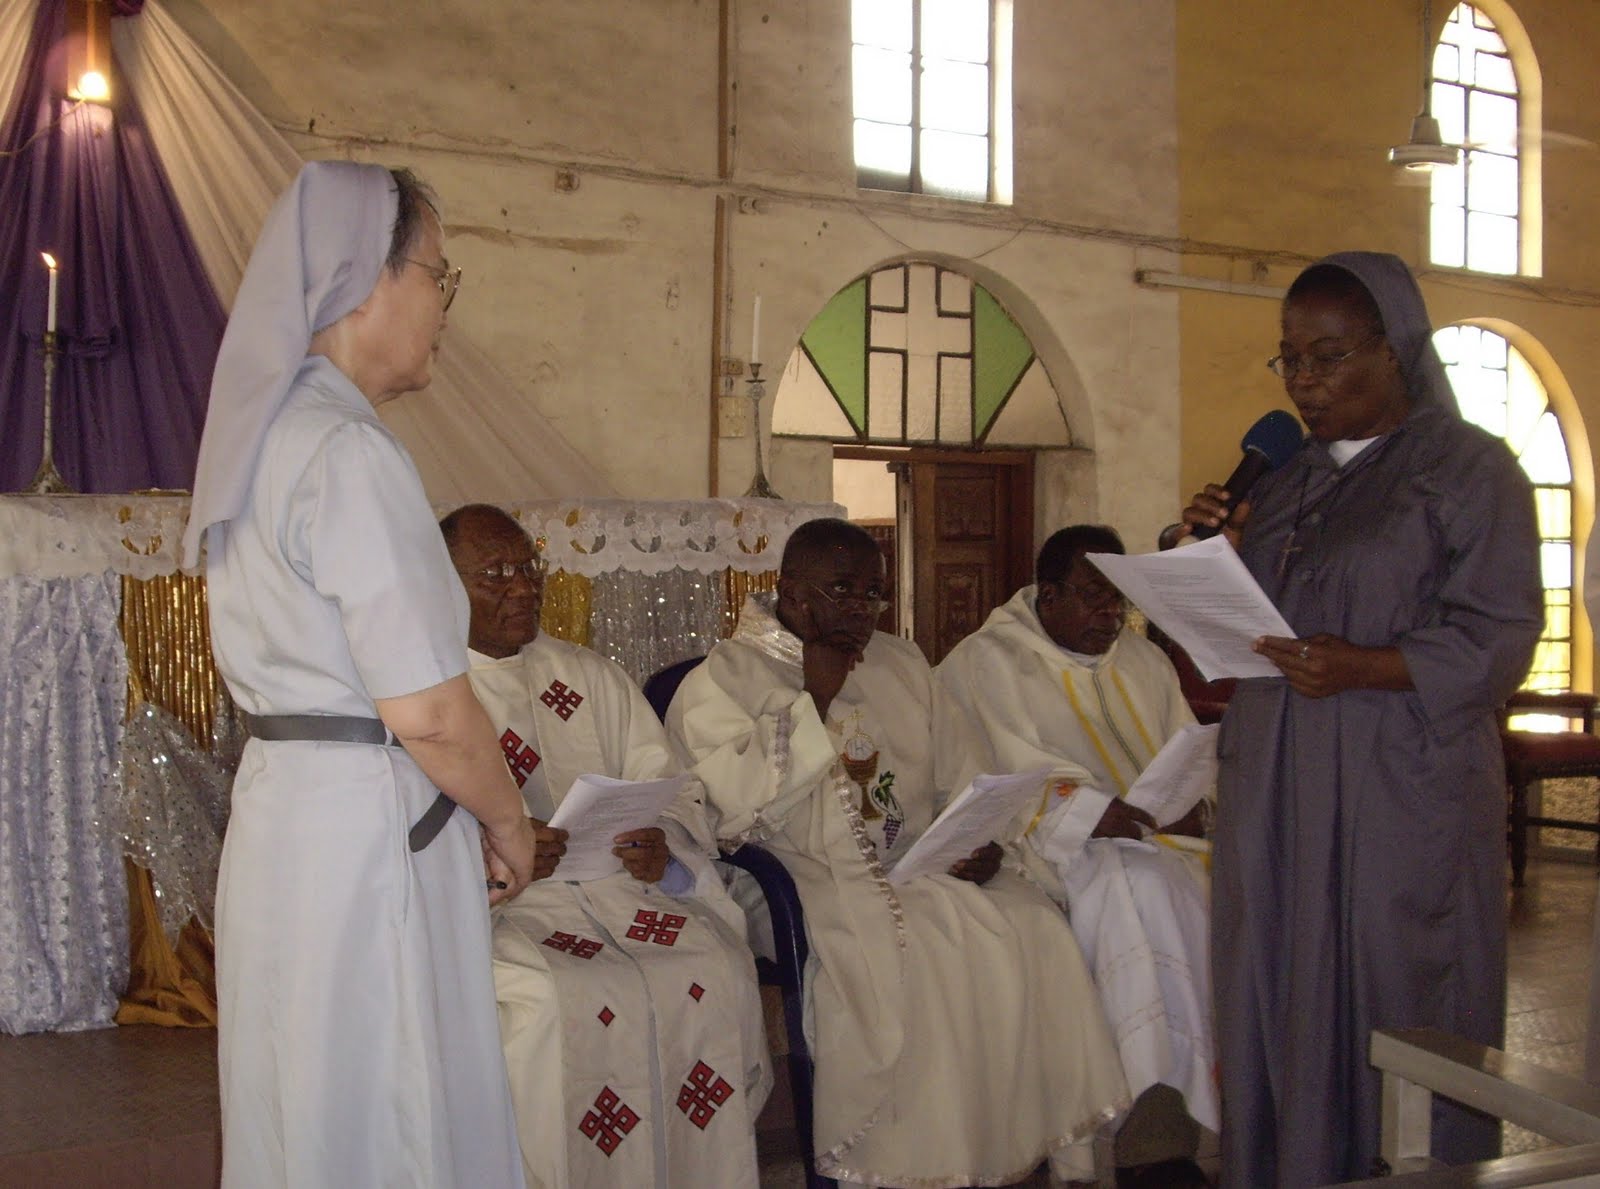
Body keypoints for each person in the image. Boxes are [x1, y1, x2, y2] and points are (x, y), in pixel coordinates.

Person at [178, 162, 539, 1186]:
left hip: (288, 818)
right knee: (391, 1106)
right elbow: (429, 711)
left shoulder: (263, 436)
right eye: (436, 274)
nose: (443, 304)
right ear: (363, 279)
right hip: (367, 836)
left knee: (303, 1107)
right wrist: (509, 821)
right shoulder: (348, 451)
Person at [1182, 251, 1543, 1186]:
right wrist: (1208, 560)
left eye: (1329, 356)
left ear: (1396, 350)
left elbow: (1502, 633)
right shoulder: (1283, 480)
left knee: (1396, 987)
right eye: (1291, 359)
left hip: (1398, 783)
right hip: (1278, 784)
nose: (1304, 381)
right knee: (1276, 978)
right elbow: (1253, 626)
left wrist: (1368, 667)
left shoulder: (1471, 471)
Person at [666, 517, 1129, 1187]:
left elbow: (964, 772)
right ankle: (904, 1164)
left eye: (872, 592)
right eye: (841, 589)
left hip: (921, 863)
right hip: (799, 877)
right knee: (919, 945)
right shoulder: (726, 675)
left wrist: (977, 839)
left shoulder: (903, 662)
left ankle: (994, 1146)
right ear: (790, 591)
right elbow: (728, 809)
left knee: (1036, 924)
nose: (860, 608)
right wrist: (814, 697)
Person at [440, 503, 771, 1188]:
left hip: (624, 892)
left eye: (528, 567)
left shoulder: (589, 676)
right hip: (505, 910)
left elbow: (670, 785)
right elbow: (404, 826)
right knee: (556, 997)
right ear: (439, 582)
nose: (523, 587)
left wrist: (663, 845)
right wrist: (497, 850)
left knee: (712, 965)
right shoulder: (427, 693)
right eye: (495, 574)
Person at [937, 524, 1217, 1183]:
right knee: (1137, 884)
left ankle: (1168, 1122)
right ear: (1050, 594)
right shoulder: (987, 663)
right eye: (1095, 597)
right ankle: (1145, 1137)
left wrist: (1195, 804)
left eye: (1120, 599)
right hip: (1048, 851)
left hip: (1159, 845)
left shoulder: (1144, 661)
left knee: (1180, 884)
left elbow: (1189, 756)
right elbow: (987, 773)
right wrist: (1089, 812)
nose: (1111, 614)